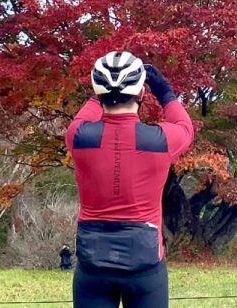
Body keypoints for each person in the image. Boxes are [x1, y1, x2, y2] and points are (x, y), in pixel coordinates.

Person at [66, 51, 195, 307]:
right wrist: (165, 91)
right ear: (141, 94)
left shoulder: (78, 136)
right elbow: (185, 126)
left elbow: (86, 115)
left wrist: (102, 91)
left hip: (94, 261)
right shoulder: (159, 140)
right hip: (144, 259)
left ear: (98, 90)